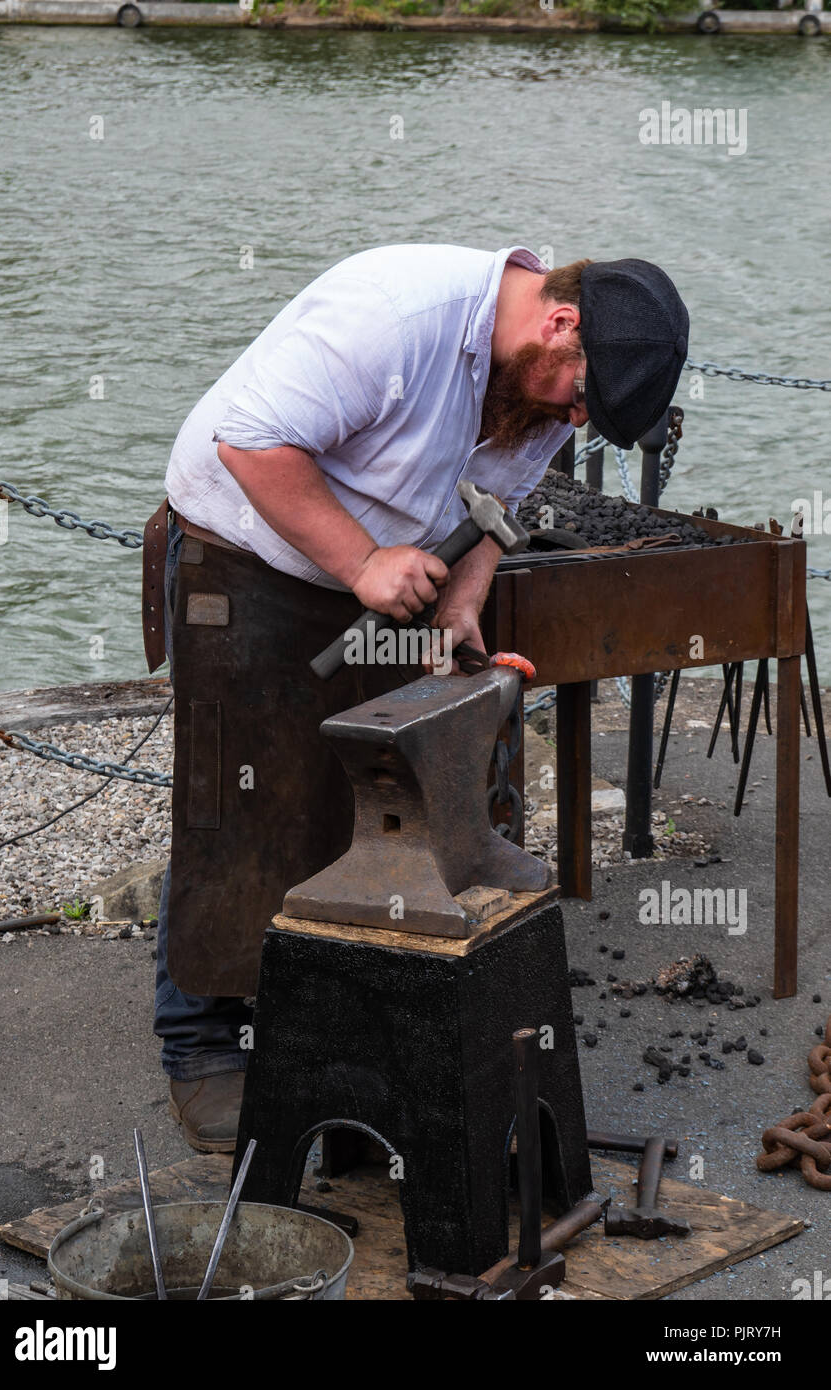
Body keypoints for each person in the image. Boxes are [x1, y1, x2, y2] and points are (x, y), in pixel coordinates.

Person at [144, 244, 689, 1153]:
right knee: (237, 806)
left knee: (363, 799)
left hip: (375, 577)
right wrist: (361, 562)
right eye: (579, 399)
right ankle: (201, 1047)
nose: (575, 419)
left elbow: (498, 497)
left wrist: (468, 589)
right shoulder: (394, 316)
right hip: (243, 560)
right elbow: (248, 439)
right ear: (560, 325)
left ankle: (332, 1018)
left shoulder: (539, 374)